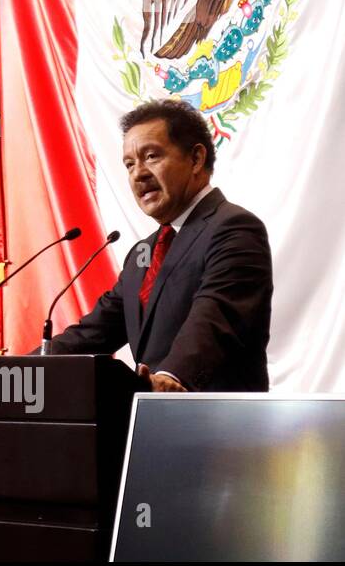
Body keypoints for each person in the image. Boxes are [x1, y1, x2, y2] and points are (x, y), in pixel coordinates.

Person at [42, 99, 273, 391]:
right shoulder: (144, 252)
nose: (138, 173)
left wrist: (173, 376)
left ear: (196, 159)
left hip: (216, 425)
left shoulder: (234, 228)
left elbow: (215, 318)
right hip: (152, 421)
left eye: (151, 156)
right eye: (129, 164)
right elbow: (93, 333)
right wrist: (19, 372)